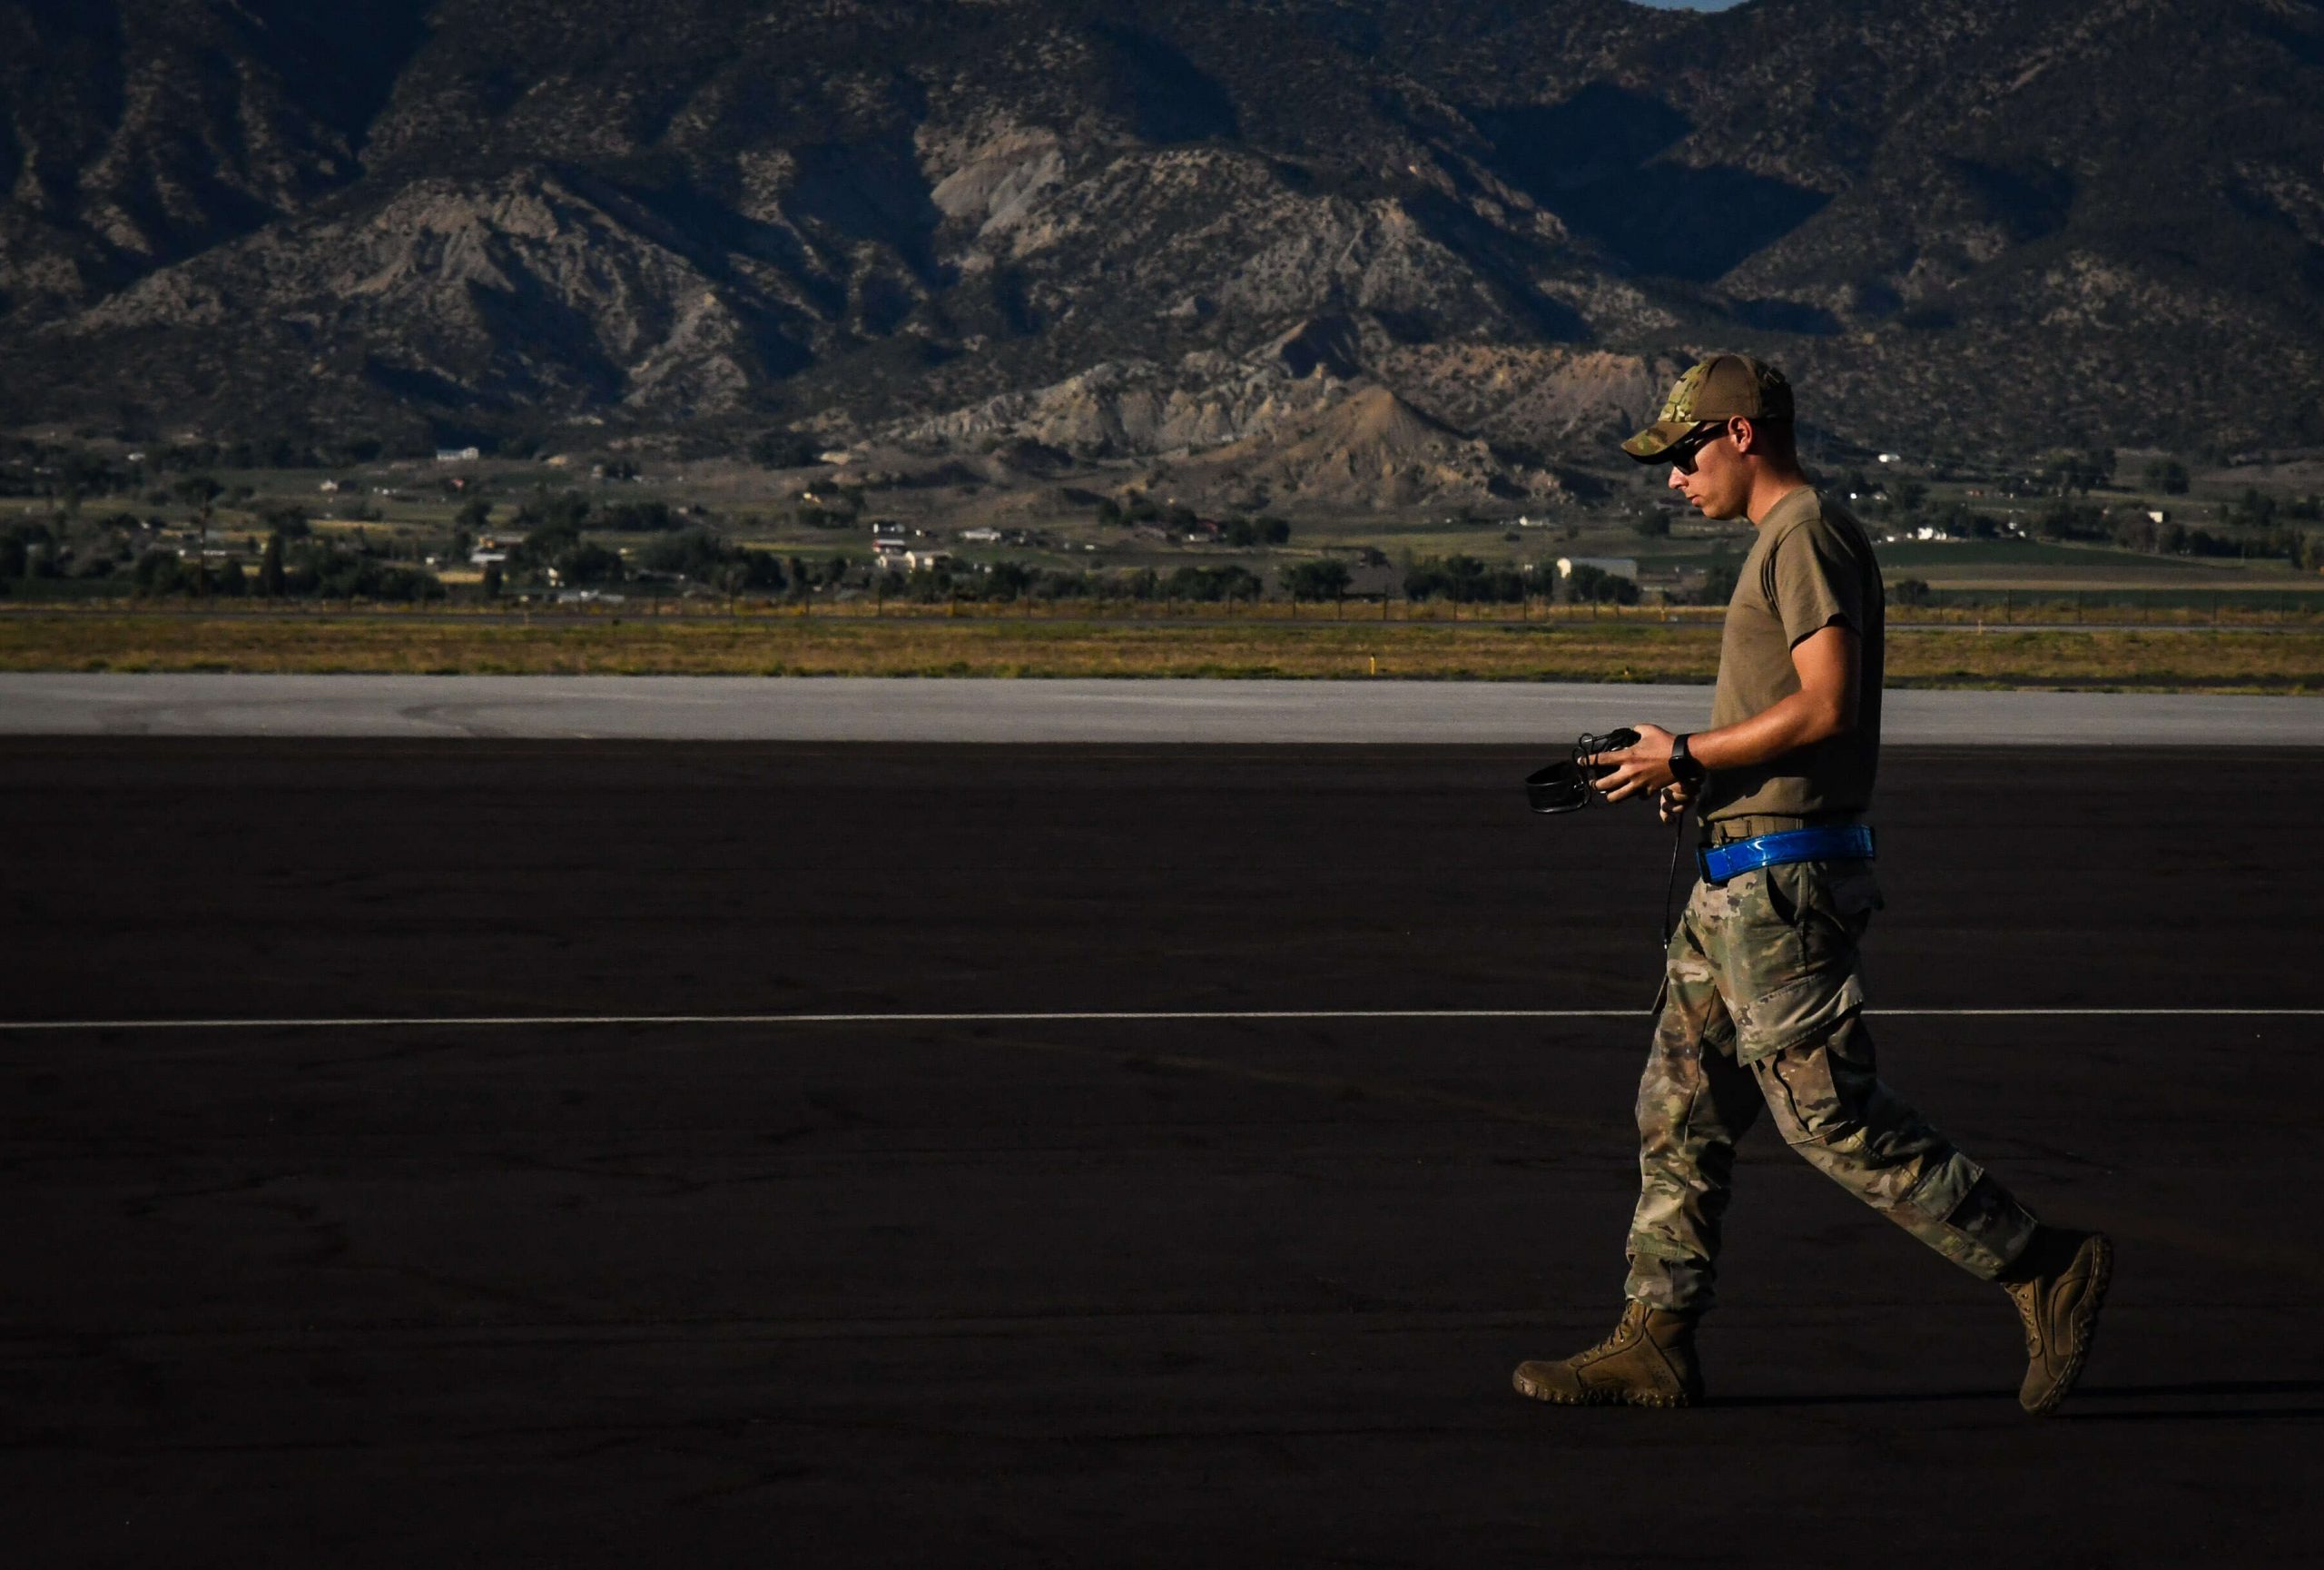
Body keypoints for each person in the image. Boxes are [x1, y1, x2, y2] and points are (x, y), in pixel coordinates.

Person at [1511, 354, 2111, 1416]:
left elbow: (1828, 704)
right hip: (1732, 875)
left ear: (1741, 434)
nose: (1673, 475)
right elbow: (1788, 716)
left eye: (1684, 451)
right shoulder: (1778, 545)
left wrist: (1689, 753)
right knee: (1679, 1110)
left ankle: (2039, 1264)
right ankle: (1655, 1339)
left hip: (1782, 889)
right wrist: (1693, 777)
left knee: (1826, 1116)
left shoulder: (1805, 537)